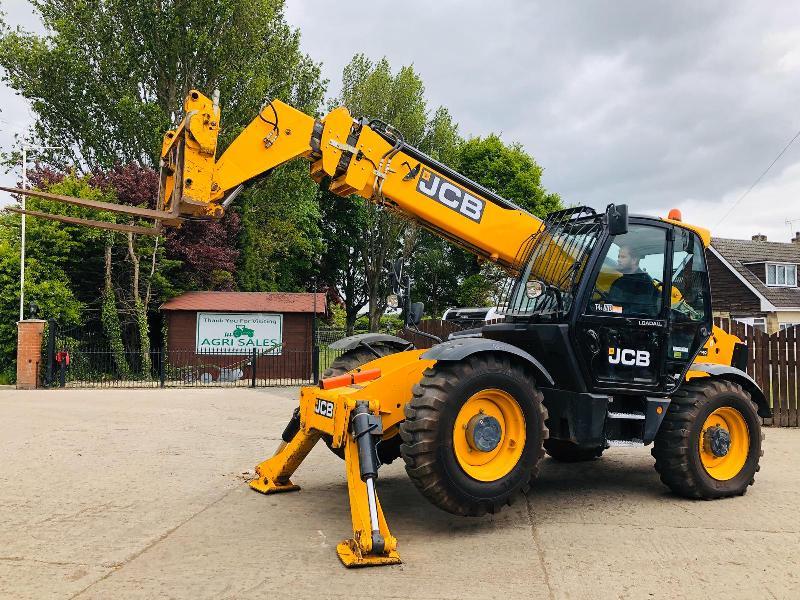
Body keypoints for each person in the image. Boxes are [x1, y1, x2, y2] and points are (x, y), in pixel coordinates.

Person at [606, 245, 661, 316]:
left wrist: (611, 310)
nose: (619, 260)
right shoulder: (619, 281)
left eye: (623, 257)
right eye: (618, 256)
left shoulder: (644, 283)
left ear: (634, 260)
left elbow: (636, 310)